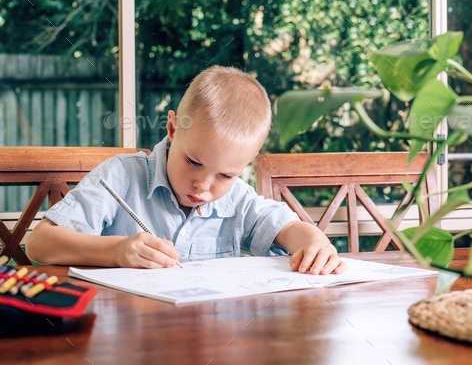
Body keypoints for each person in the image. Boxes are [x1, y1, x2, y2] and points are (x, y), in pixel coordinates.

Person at [26, 66, 346, 275]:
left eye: (225, 175)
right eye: (194, 162)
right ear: (173, 129)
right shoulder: (121, 177)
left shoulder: (238, 199)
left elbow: (288, 228)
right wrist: (118, 250)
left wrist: (315, 242)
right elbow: (40, 243)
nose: (204, 185)